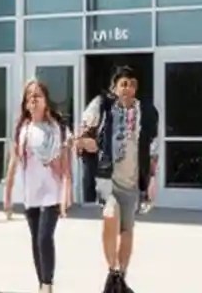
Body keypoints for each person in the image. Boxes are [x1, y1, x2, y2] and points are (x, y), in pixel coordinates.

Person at [76, 65, 159, 290]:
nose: (128, 89)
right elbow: (83, 134)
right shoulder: (102, 106)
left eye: (132, 84)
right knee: (110, 216)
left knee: (127, 230)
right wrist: (85, 142)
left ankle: (118, 277)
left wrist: (152, 178)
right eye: (124, 84)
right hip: (107, 179)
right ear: (115, 87)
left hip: (132, 181)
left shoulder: (147, 111)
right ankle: (113, 269)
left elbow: (153, 147)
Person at [3, 79, 72, 293]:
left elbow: (66, 168)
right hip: (31, 194)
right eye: (29, 96)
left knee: (44, 237)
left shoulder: (58, 129)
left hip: (52, 192)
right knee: (35, 240)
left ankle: (47, 285)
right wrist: (7, 194)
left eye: (38, 95)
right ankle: (41, 281)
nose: (33, 99)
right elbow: (14, 163)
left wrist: (66, 197)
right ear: (25, 104)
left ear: (46, 102)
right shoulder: (23, 130)